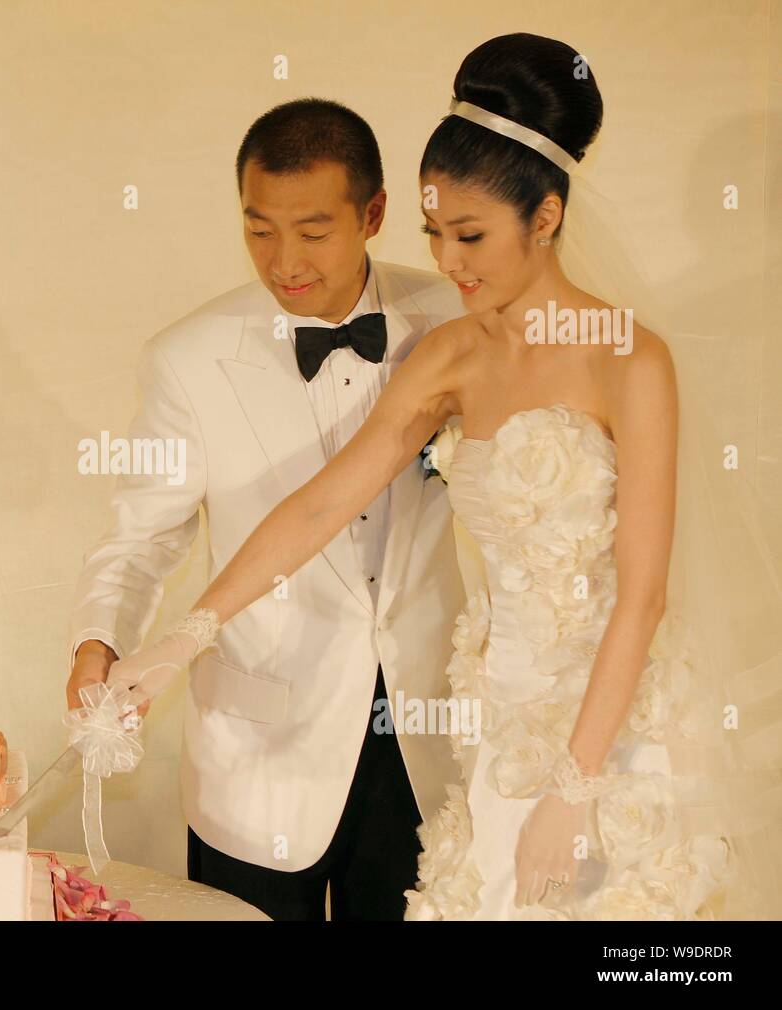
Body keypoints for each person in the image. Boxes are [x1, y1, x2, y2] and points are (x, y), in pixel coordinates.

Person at [99, 32, 782, 919]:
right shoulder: (451, 353)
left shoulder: (631, 359)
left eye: (471, 235)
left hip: (617, 726)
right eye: (433, 232)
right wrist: (182, 638)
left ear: (545, 218)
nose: (448, 262)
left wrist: (575, 790)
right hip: (498, 729)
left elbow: (642, 597)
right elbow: (318, 507)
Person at [66, 98, 467, 920]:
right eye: (258, 229)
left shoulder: (455, 323)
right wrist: (96, 642)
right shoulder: (187, 359)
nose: (283, 260)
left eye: (313, 232)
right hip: (259, 749)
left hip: (424, 735)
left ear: (375, 215)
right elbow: (142, 535)